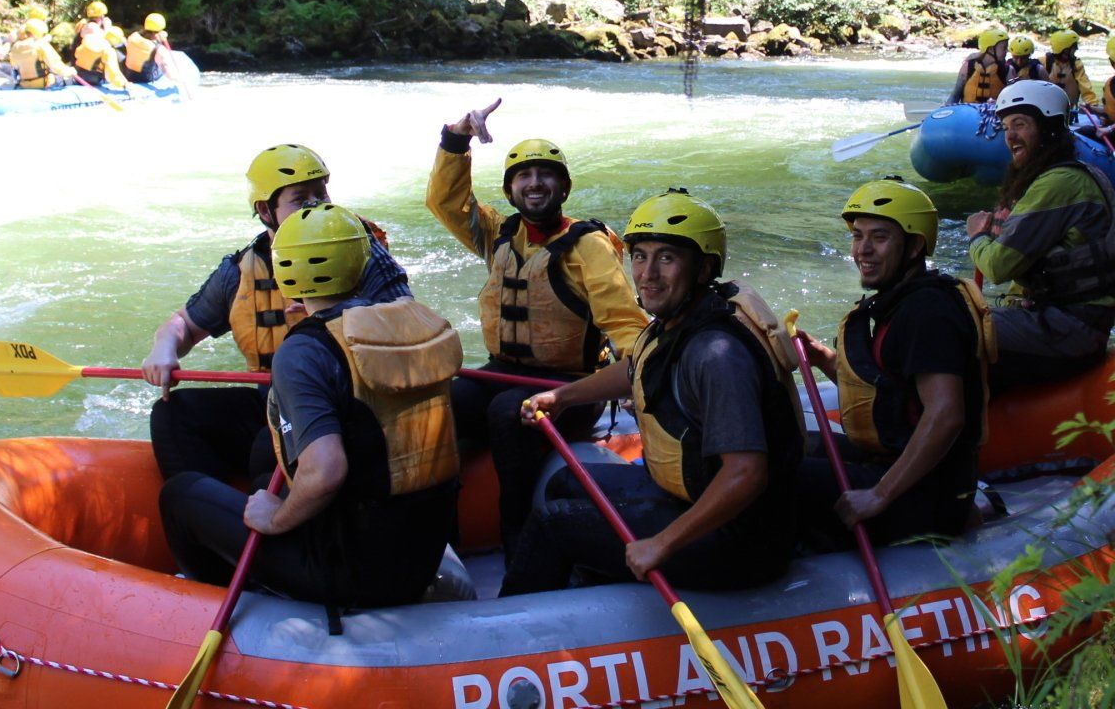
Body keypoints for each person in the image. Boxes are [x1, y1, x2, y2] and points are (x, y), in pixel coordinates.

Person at [158, 203, 460, 608]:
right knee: (268, 457)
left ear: (287, 273)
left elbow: (326, 470)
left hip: (351, 570)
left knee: (181, 495)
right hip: (420, 554)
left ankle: (227, 600)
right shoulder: (412, 319)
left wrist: (275, 518)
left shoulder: (303, 350)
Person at [501, 190, 802, 595]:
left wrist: (662, 544)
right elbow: (636, 367)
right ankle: (596, 587)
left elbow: (746, 474)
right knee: (565, 485)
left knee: (553, 525)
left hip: (737, 541)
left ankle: (518, 627)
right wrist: (565, 397)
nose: (647, 274)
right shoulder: (679, 320)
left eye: (667, 258)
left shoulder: (716, 354)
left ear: (703, 268)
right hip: (687, 499)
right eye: (640, 256)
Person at [425, 99, 647, 555]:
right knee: (438, 404)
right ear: (510, 191)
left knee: (508, 412)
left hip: (569, 385)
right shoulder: (499, 234)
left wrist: (637, 374)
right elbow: (445, 202)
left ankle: (520, 543)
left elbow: (624, 319)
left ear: (563, 187)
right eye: (523, 176)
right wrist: (457, 135)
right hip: (501, 370)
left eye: (545, 174)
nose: (534, 183)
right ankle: (438, 538)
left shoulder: (587, 246)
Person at [142, 144, 410, 485]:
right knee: (172, 414)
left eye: (320, 194)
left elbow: (406, 318)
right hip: (272, 401)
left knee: (264, 452)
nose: (315, 206)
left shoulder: (360, 247)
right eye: (300, 198)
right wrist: (163, 348)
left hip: (344, 405)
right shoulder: (242, 269)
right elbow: (183, 323)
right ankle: (208, 511)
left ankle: (276, 514)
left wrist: (343, 313)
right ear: (265, 210)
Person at [795, 178, 991, 549]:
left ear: (915, 246)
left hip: (923, 498)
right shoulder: (899, 301)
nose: (862, 250)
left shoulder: (927, 311)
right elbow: (893, 396)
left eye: (879, 238)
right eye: (857, 236)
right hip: (902, 470)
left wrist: (879, 494)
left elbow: (946, 414)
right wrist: (826, 361)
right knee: (792, 443)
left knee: (774, 475)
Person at [967, 81, 1115, 388]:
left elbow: (997, 267)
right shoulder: (1066, 175)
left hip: (1070, 329)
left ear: (1049, 128)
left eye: (1020, 124)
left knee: (947, 326)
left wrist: (977, 236)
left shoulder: (1059, 183)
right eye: (1006, 127)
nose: (1010, 136)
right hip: (1061, 320)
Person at [8, 17, 77, 89]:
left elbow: (13, 64)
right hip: (42, 85)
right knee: (61, 79)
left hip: (23, 84)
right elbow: (57, 67)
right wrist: (71, 71)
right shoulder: (41, 45)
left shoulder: (16, 46)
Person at [947, 29, 1009, 104]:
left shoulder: (1007, 70)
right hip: (969, 111)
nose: (1007, 51)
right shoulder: (968, 66)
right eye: (1004, 48)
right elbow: (955, 95)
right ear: (991, 49)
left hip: (994, 112)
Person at [1042, 31, 1094, 108]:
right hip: (1045, 108)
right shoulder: (1044, 61)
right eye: (1074, 46)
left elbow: (1086, 88)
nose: (1077, 48)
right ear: (1065, 50)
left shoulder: (1076, 65)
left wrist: (1092, 103)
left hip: (1068, 110)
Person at [72, 22, 128, 90]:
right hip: (92, 79)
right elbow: (113, 73)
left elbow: (77, 54)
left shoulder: (87, 39)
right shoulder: (109, 50)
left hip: (77, 74)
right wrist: (124, 84)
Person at [124, 13, 173, 85]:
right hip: (145, 78)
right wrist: (176, 79)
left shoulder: (132, 36)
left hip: (129, 74)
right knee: (161, 62)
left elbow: (144, 36)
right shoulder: (158, 49)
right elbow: (166, 69)